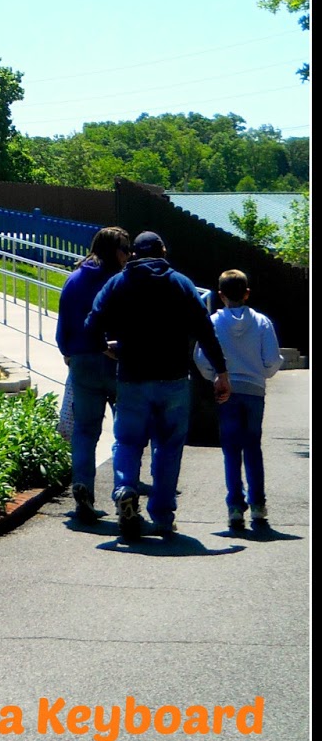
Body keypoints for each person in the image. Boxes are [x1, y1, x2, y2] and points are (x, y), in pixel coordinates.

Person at [84, 230, 230, 541]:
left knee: (127, 442)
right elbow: (205, 330)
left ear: (134, 253)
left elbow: (92, 322)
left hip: (132, 377)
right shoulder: (181, 283)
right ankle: (163, 516)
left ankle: (124, 488)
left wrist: (105, 346)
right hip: (173, 379)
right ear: (163, 250)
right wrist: (221, 372)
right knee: (168, 448)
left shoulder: (118, 283)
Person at [194, 269, 282, 531]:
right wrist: (260, 374)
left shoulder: (213, 322)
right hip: (254, 391)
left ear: (220, 295)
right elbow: (272, 361)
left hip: (226, 390)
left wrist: (214, 376)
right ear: (247, 293)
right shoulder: (262, 322)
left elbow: (201, 357)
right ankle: (258, 505)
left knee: (231, 450)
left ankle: (235, 506)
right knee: (253, 447)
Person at [55, 226, 131, 522]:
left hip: (82, 360)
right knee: (124, 431)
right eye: (125, 248)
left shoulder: (74, 279)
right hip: (116, 361)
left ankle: (83, 486)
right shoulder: (121, 281)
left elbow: (64, 324)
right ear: (115, 250)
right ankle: (125, 491)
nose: (129, 255)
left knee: (85, 431)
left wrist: (68, 350)